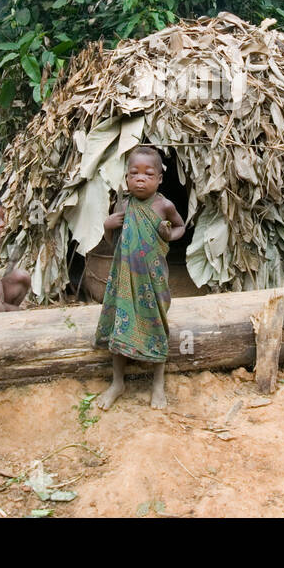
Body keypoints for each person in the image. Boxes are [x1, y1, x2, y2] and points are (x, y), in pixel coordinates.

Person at [94, 146, 186, 410]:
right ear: (126, 178)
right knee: (120, 325)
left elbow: (180, 226)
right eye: (134, 173)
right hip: (124, 279)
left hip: (153, 281)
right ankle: (117, 382)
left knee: (156, 324)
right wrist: (107, 227)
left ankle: (158, 382)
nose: (140, 178)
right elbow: (116, 244)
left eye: (148, 174)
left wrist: (169, 235)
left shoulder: (164, 205)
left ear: (159, 179)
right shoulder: (122, 205)